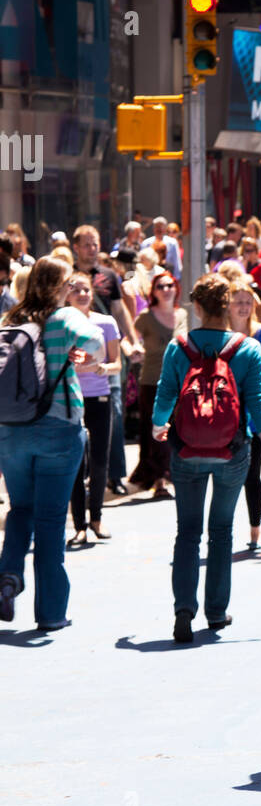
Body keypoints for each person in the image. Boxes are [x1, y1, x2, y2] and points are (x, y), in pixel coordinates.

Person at [152, 273, 261, 642]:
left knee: (187, 532)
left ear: (196, 306)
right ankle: (215, 611)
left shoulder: (178, 346)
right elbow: (259, 405)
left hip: (186, 449)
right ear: (227, 304)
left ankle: (184, 608)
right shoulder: (246, 348)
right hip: (233, 450)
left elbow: (165, 394)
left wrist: (157, 425)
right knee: (221, 532)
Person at [0, 256, 104, 631]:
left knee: (20, 509)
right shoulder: (62, 317)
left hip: (10, 430)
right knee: (50, 518)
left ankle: (8, 574)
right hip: (57, 428)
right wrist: (87, 353)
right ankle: (51, 613)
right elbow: (95, 338)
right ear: (59, 287)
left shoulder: (10, 321)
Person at [72, 225, 138, 496]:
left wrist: (133, 341)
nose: (92, 248)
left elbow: (119, 312)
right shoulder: (70, 277)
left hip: (108, 358)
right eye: (87, 244)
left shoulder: (109, 275)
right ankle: (84, 475)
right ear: (76, 247)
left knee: (115, 415)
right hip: (77, 363)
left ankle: (115, 474)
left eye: (95, 243)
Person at [64, 273, 120, 545]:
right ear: (66, 294)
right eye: (76, 290)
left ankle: (96, 518)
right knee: (77, 461)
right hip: (70, 399)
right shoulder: (60, 325)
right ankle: (79, 526)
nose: (82, 294)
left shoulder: (106, 323)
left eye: (86, 289)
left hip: (100, 397)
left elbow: (116, 364)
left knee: (100, 460)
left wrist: (101, 368)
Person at [227, 279, 261, 555]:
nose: (244, 307)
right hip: (226, 413)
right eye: (239, 302)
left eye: (248, 302)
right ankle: (221, 529)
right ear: (228, 305)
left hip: (255, 410)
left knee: (252, 474)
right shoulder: (221, 336)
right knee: (226, 475)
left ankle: (254, 529)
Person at [130, 273, 188, 499]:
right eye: (160, 286)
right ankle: (159, 479)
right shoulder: (145, 317)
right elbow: (129, 339)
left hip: (179, 382)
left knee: (177, 430)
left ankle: (173, 474)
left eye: (170, 285)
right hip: (152, 381)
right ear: (153, 291)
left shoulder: (183, 314)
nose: (166, 289)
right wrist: (133, 349)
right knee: (154, 431)